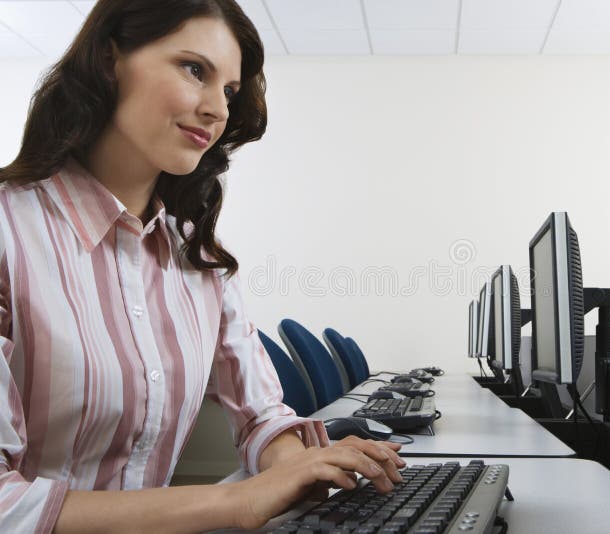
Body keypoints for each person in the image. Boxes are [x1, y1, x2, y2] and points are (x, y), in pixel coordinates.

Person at [0, 1, 404, 531]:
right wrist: (240, 501)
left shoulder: (199, 257)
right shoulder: (10, 232)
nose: (218, 110)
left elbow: (261, 414)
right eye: (194, 69)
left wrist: (297, 465)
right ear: (109, 58)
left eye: (230, 92)